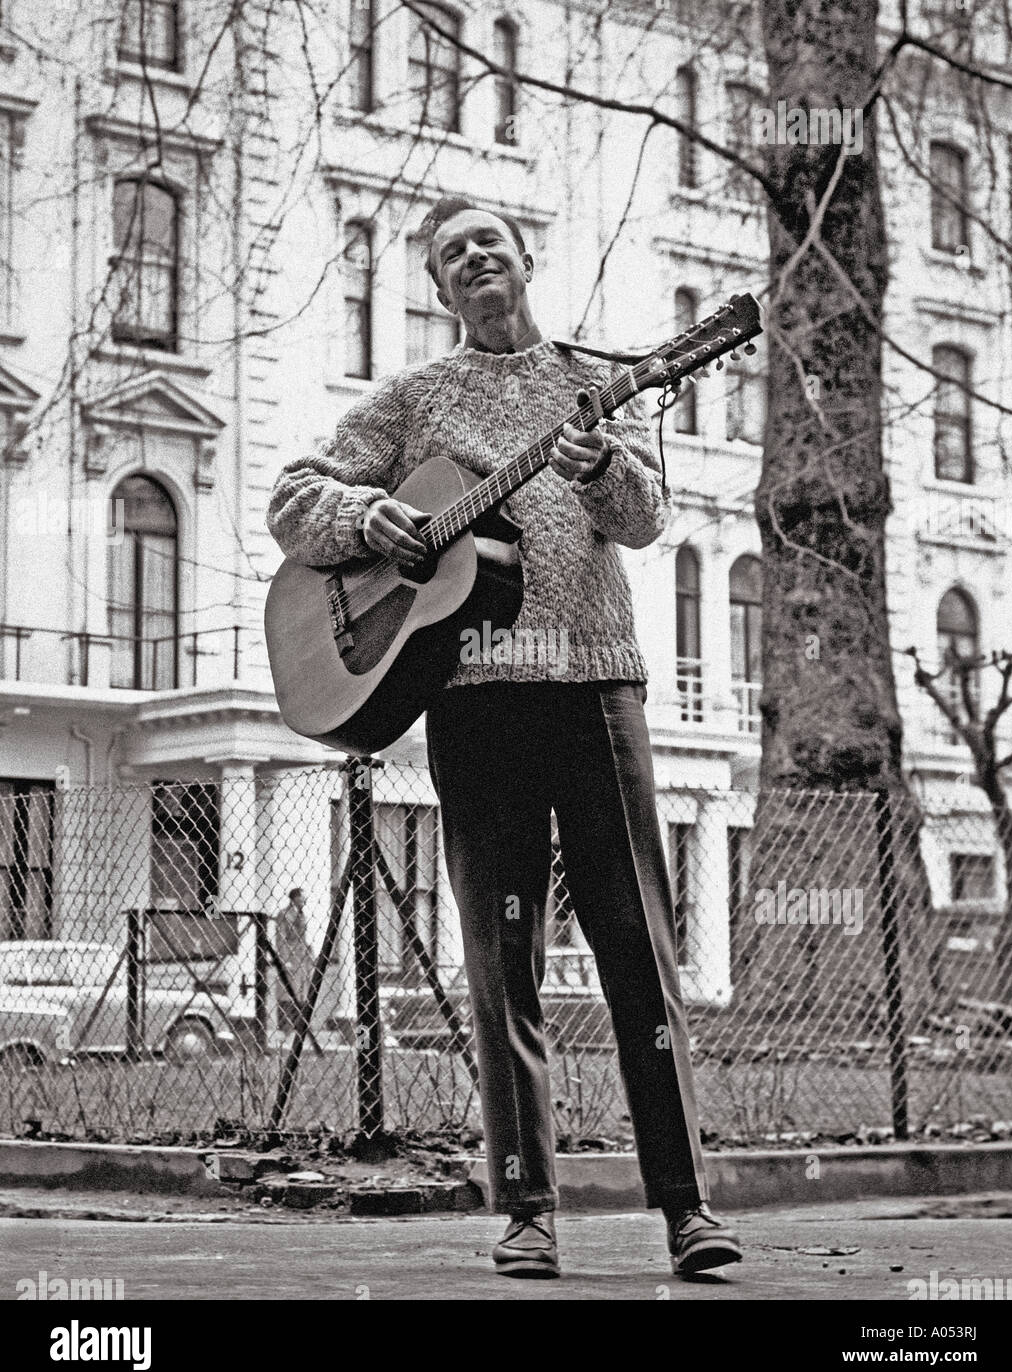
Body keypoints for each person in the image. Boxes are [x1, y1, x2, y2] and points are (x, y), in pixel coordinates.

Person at [266, 196, 741, 1280]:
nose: (473, 258)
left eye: (489, 241)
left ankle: (685, 1209)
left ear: (525, 260)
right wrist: (364, 520)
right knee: (500, 960)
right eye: (450, 254)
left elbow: (644, 517)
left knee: (639, 956)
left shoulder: (594, 380)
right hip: (475, 704)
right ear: (438, 289)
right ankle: (525, 1210)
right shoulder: (415, 400)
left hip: (594, 690)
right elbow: (295, 499)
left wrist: (595, 465)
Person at [274, 887, 312, 1034]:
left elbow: (304, 938)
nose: (304, 901)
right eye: (301, 898)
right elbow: (281, 938)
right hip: (290, 957)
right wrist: (284, 959)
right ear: (294, 899)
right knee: (287, 991)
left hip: (301, 959)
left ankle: (299, 1025)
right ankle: (285, 1026)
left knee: (301, 992)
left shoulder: (302, 915)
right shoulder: (284, 914)